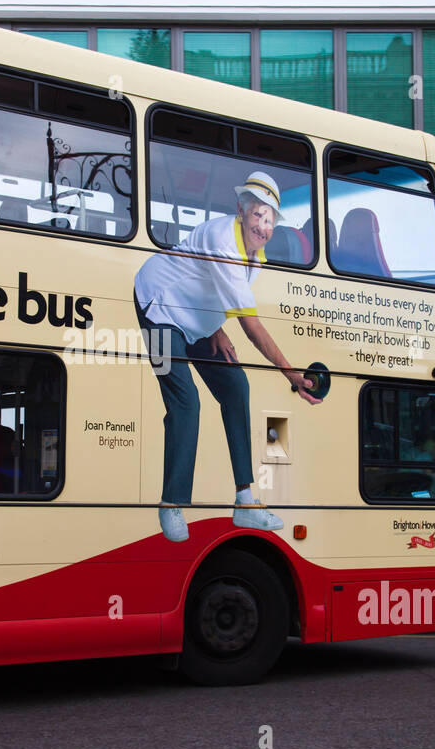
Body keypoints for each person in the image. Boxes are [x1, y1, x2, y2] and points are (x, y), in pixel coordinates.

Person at [134, 170, 321, 542]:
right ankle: (171, 503)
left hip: (192, 318)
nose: (263, 226)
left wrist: (215, 326)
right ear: (241, 211)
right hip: (154, 308)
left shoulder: (254, 255)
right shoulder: (224, 241)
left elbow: (203, 278)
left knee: (236, 386)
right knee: (186, 404)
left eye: (269, 219)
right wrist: (292, 376)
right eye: (257, 215)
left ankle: (244, 501)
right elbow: (252, 328)